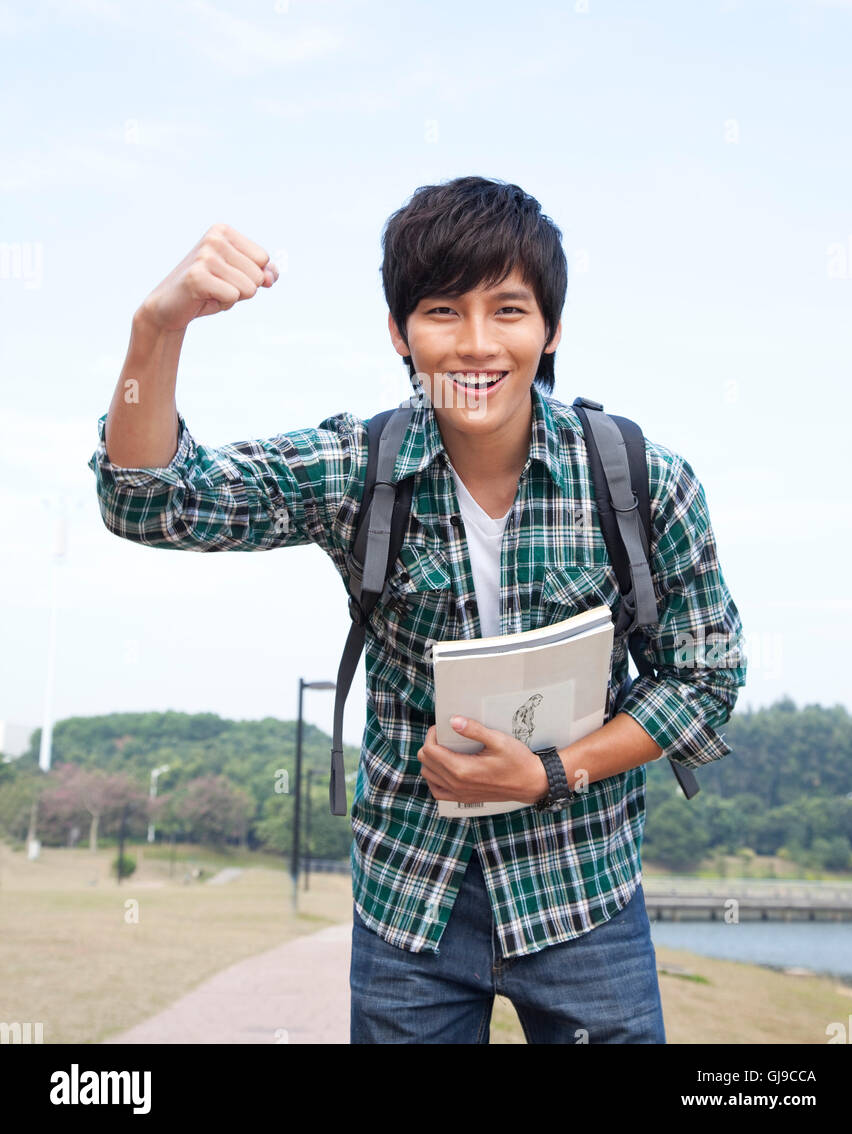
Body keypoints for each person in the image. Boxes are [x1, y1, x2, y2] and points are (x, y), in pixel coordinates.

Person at [88, 177, 747, 1044]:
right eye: (443, 311)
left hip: (584, 888)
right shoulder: (359, 467)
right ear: (400, 331)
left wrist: (554, 772)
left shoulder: (640, 478)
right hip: (412, 899)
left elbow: (704, 679)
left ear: (551, 328)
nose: (477, 345)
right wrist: (157, 327)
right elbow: (150, 501)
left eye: (508, 310)